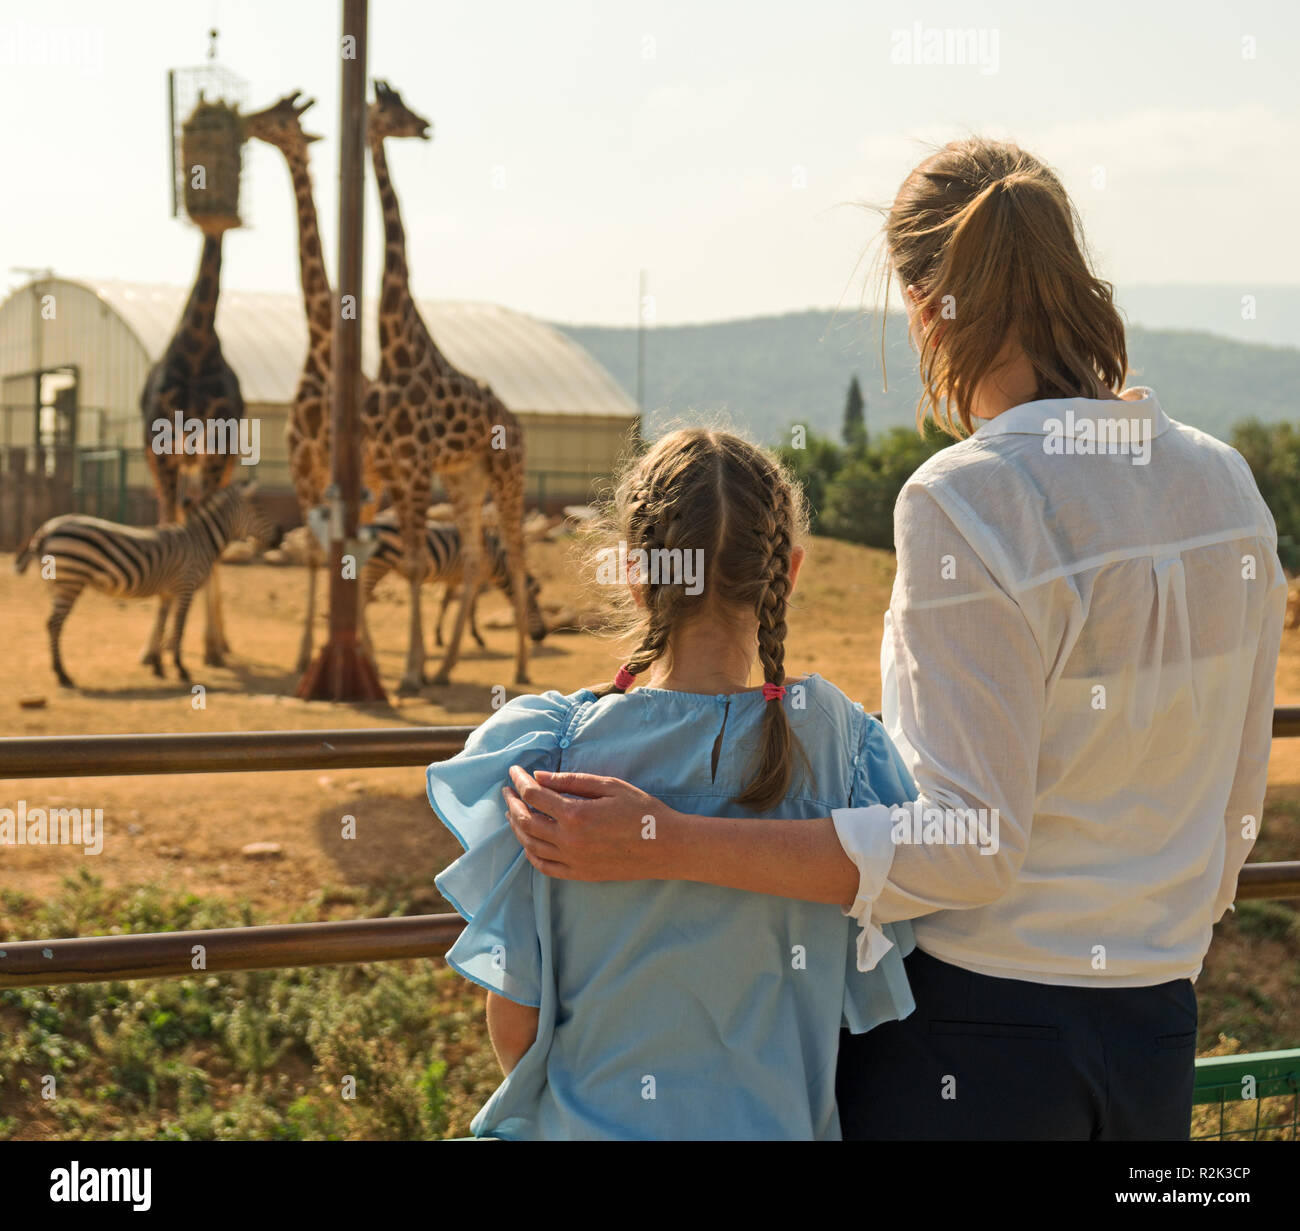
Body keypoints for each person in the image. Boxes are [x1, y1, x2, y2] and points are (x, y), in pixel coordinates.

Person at [503, 138, 1287, 1141]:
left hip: (976, 1042)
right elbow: (1234, 806)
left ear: (926, 304)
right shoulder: (1226, 491)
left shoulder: (971, 498)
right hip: (1154, 1035)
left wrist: (660, 835)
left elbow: (969, 847)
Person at [428, 428, 917, 1140]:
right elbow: (878, 974)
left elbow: (516, 1018)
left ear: (634, 573)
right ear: (790, 572)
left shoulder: (550, 753)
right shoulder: (843, 751)